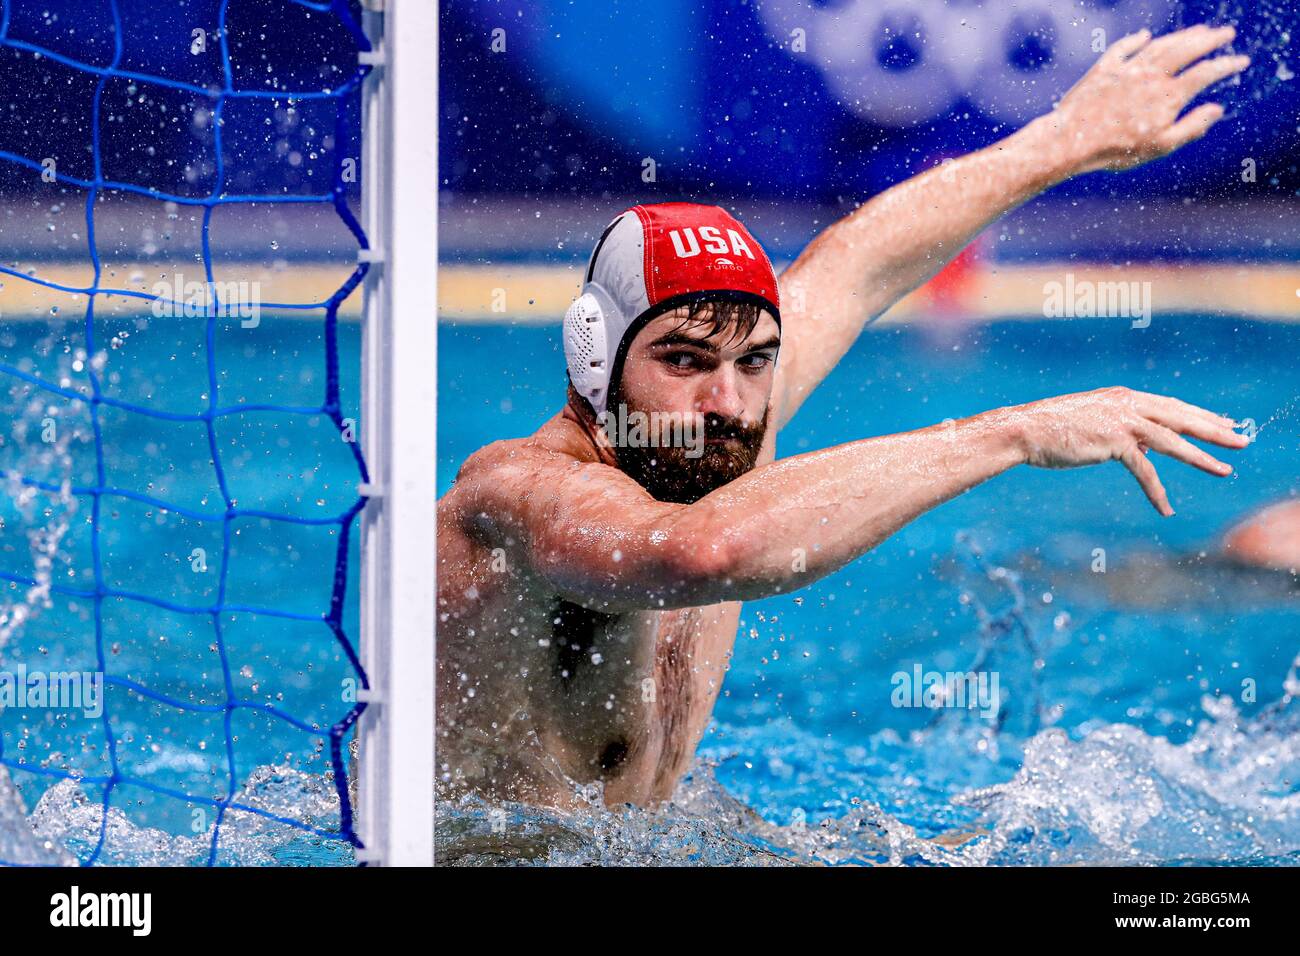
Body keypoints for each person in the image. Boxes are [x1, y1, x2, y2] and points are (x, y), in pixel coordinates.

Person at [436, 25, 1252, 807]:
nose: (725, 400)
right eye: (682, 360)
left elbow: (858, 269)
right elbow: (702, 550)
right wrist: (1014, 433)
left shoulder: (706, 429)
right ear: (594, 357)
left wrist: (1069, 139)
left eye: (755, 361)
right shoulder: (520, 499)